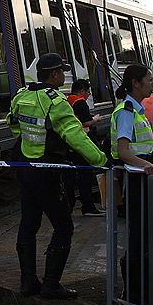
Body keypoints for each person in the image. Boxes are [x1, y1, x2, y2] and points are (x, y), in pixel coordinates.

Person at [8, 53, 107, 299]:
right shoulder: (55, 100)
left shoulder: (22, 95)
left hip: (25, 168)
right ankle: (51, 284)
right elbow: (76, 135)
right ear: (54, 75)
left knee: (28, 224)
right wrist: (102, 160)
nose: (64, 76)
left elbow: (13, 124)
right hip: (48, 170)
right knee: (63, 225)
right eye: (62, 72)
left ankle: (28, 282)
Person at [110, 64, 153, 305]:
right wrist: (146, 165)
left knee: (144, 234)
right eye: (150, 80)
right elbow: (123, 152)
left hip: (142, 176)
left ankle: (138, 294)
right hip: (136, 179)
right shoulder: (128, 111)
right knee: (139, 236)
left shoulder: (138, 110)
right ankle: (135, 295)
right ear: (136, 83)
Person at [64, 78, 105, 216]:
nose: (88, 95)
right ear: (82, 91)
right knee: (85, 174)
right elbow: (87, 122)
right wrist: (96, 119)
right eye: (88, 92)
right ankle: (88, 206)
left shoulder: (67, 99)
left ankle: (69, 205)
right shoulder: (79, 101)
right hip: (80, 141)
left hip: (68, 143)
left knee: (69, 176)